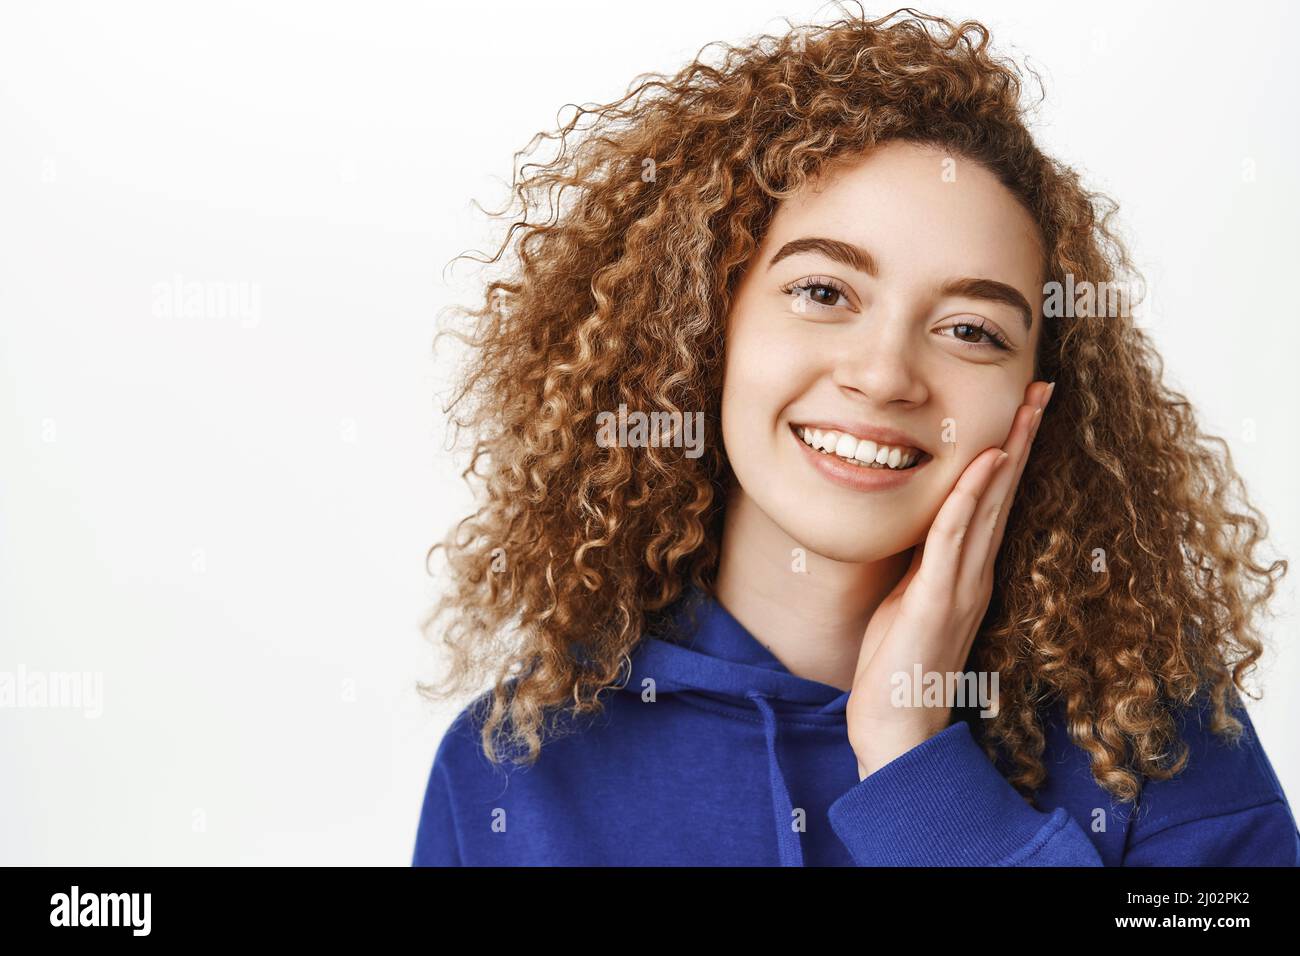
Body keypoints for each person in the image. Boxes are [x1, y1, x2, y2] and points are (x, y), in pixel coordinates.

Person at [411, 6, 1299, 865]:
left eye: (970, 330)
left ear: (1038, 400)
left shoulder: (1149, 737)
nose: (882, 375)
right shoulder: (512, 769)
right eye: (824, 293)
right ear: (702, 328)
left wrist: (914, 764)